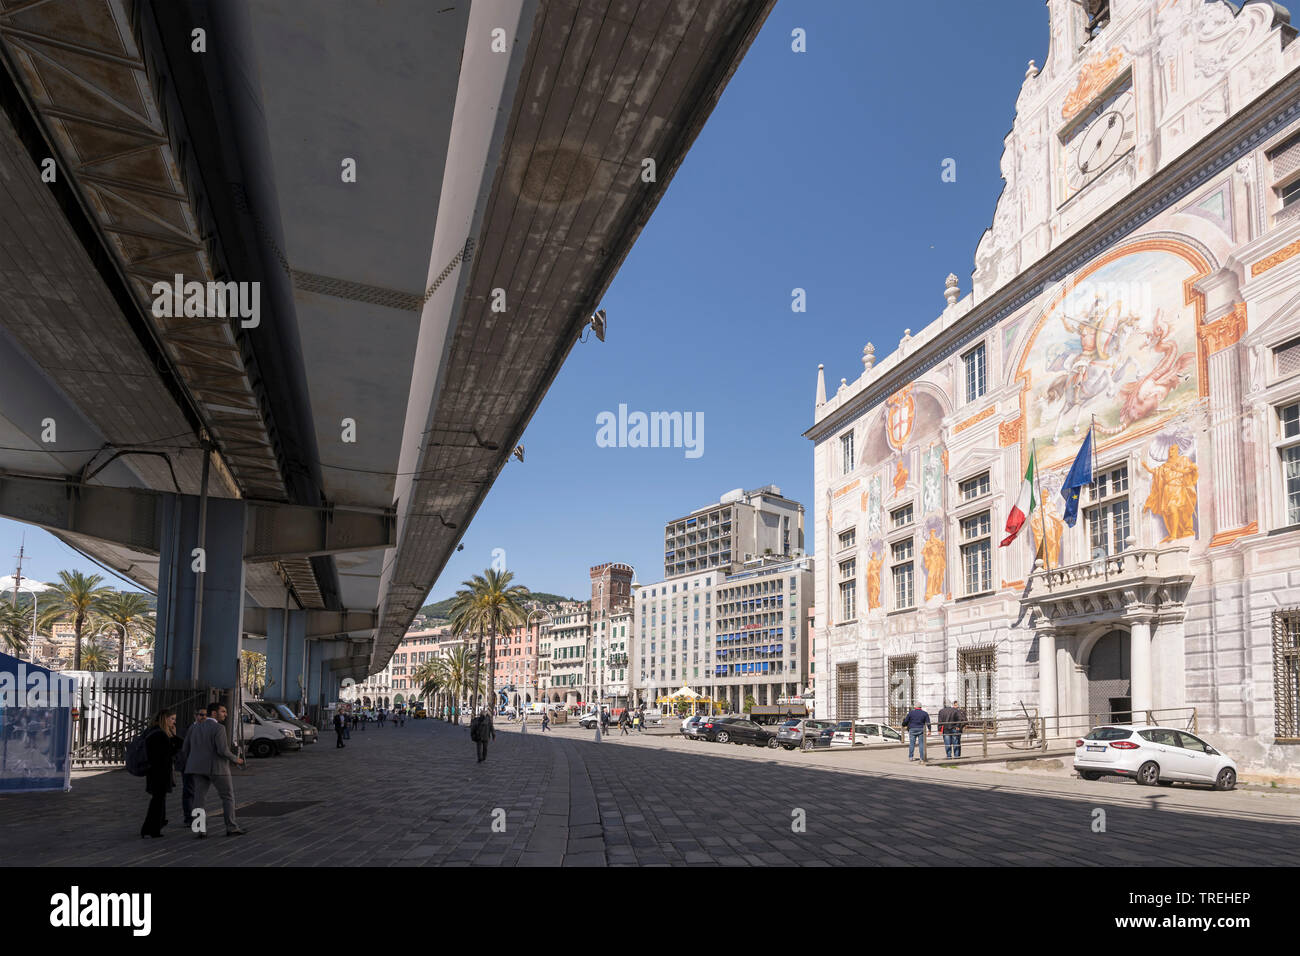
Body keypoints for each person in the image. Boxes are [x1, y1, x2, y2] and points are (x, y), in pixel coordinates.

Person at [181, 701, 247, 837]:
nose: (226, 714)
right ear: (214, 713)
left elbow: (185, 748)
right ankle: (231, 827)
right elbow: (222, 750)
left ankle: (200, 829)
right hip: (217, 768)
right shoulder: (219, 728)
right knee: (227, 797)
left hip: (197, 768)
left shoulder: (194, 727)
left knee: (199, 798)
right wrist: (236, 759)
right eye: (223, 711)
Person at [141, 709, 181, 838]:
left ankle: (150, 827)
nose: (174, 722)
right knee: (158, 800)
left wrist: (172, 736)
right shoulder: (160, 735)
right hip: (160, 772)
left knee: (157, 799)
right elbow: (169, 753)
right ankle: (153, 828)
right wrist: (173, 737)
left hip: (154, 772)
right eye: (172, 719)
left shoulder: (153, 731)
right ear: (165, 719)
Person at [177, 706, 207, 829]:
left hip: (201, 765)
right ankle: (189, 818)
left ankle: (197, 819)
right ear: (195, 715)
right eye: (201, 714)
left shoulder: (208, 729)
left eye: (205, 715)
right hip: (189, 765)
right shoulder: (189, 729)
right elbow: (183, 749)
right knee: (189, 791)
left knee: (199, 793)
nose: (203, 717)